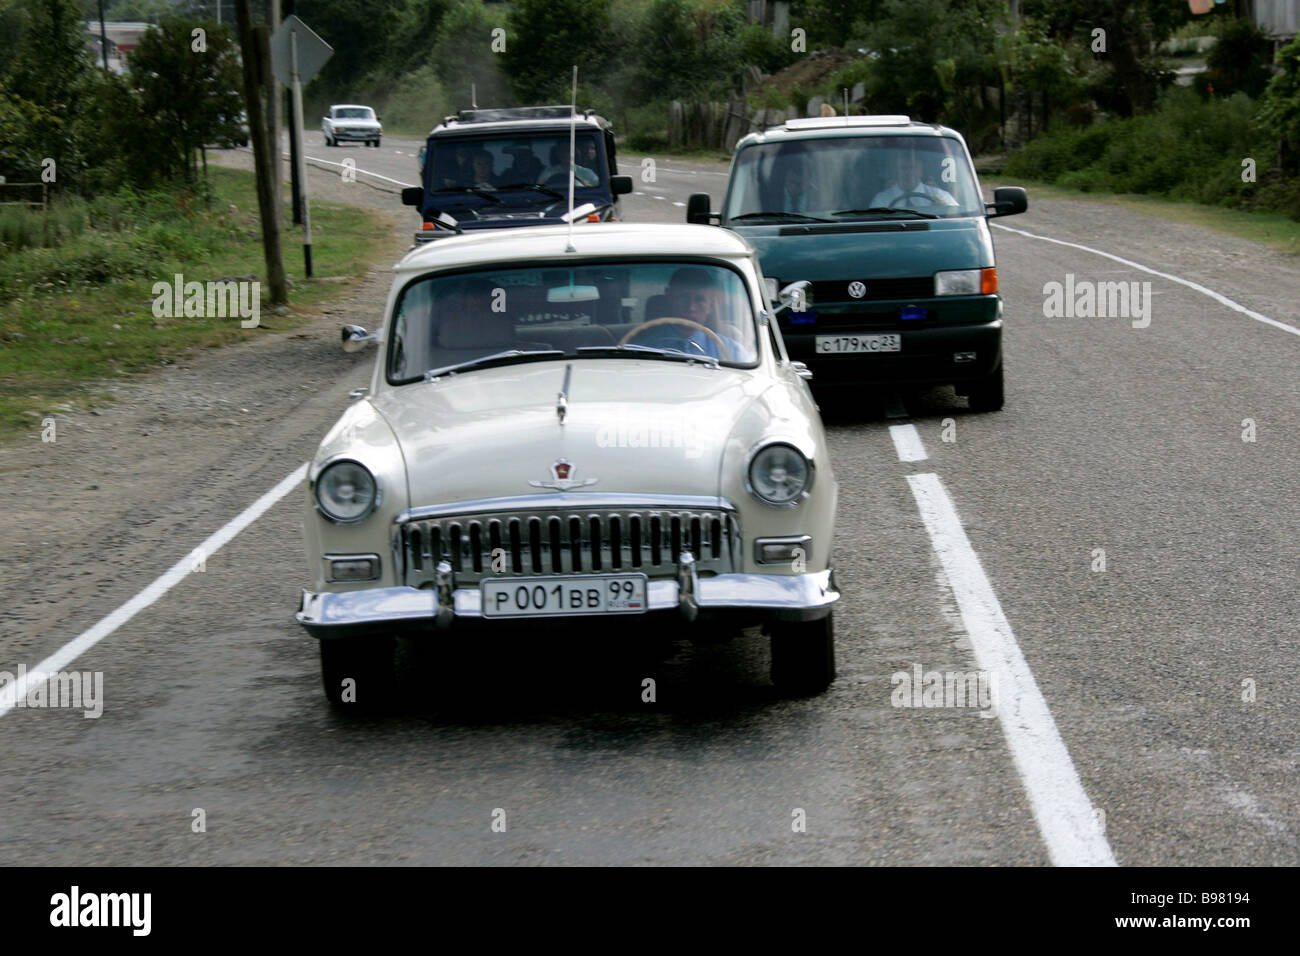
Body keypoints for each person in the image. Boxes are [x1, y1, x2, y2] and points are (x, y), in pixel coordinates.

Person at [638, 268, 750, 362]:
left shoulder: (732, 352)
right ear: (669, 298)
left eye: (700, 300)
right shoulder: (641, 350)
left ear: (711, 305)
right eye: (683, 298)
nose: (691, 307)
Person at [870, 149, 957, 209]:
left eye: (913, 168)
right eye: (903, 168)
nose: (908, 173)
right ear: (896, 172)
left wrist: (945, 210)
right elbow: (873, 225)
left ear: (921, 171)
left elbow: (960, 220)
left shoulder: (939, 196)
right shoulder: (882, 199)